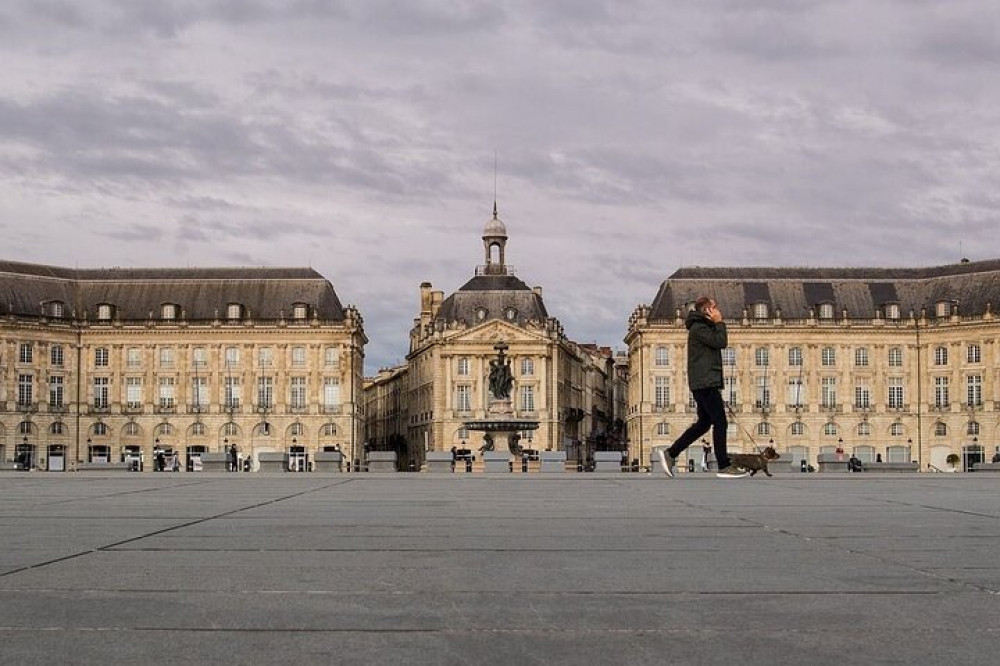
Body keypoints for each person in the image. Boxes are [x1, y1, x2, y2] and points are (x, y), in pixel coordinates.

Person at [658, 296, 747, 478]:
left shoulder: (702, 327)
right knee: (720, 422)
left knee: (704, 424)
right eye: (715, 307)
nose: (718, 310)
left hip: (704, 381)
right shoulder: (699, 328)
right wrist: (719, 322)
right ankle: (724, 465)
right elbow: (720, 342)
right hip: (705, 382)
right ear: (707, 310)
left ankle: (671, 453)